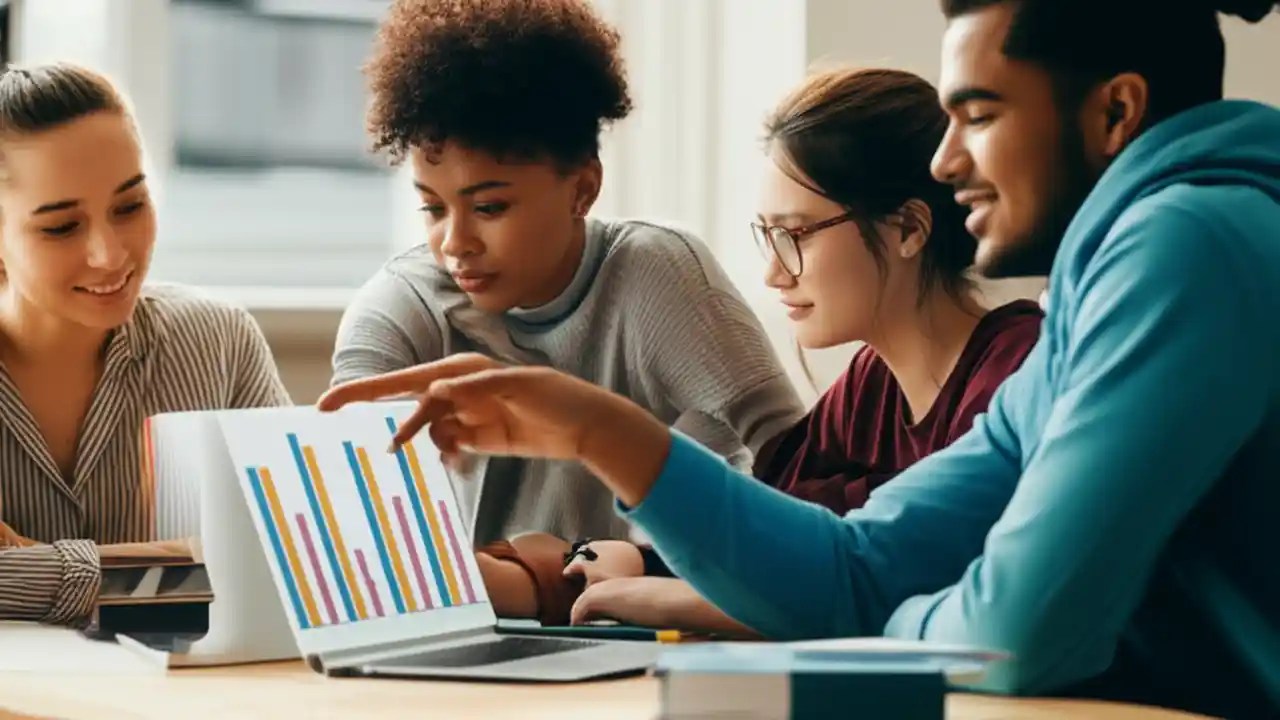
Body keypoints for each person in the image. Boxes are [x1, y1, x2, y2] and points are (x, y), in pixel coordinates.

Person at [319, 0, 1280, 716]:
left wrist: (884, 626)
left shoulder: (1188, 242)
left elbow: (1013, 636)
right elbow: (860, 566)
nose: (945, 162)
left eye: (979, 115)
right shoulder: (1106, 279)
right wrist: (597, 431)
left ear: (1115, 113)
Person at [551, 67, 1042, 631]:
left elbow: (928, 590)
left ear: (908, 228)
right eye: (768, 235)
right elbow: (782, 541)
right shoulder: (870, 385)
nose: (774, 273)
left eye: (797, 234)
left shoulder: (1017, 372)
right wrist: (639, 560)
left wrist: (676, 600)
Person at [335, 0, 803, 561]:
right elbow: (349, 522)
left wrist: (634, 572)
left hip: (651, 628)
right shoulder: (399, 308)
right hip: (473, 624)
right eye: (433, 209)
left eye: (489, 207)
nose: (455, 244)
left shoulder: (656, 275)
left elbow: (805, 474)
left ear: (583, 189)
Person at [0, 63, 291, 624]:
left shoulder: (219, 340)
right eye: (61, 227)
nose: (110, 255)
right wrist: (173, 574)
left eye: (129, 206)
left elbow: (285, 567)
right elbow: (225, 577)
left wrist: (35, 566)